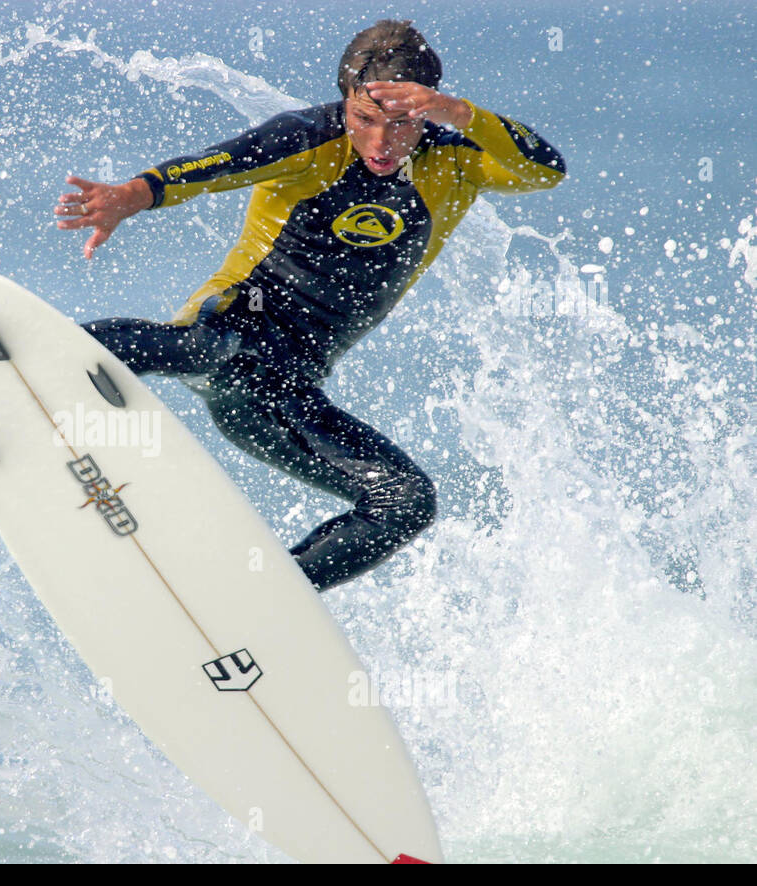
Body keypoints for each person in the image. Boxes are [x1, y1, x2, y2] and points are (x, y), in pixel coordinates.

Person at [54, 19, 565, 592]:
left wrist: (461, 113)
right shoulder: (307, 137)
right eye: (364, 119)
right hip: (234, 320)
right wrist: (129, 197)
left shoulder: (459, 161)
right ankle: (41, 365)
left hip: (284, 391)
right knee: (227, 345)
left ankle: (268, 604)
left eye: (401, 123)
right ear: (345, 101)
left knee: (405, 501)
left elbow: (545, 170)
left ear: (427, 110)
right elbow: (216, 165)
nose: (380, 142)